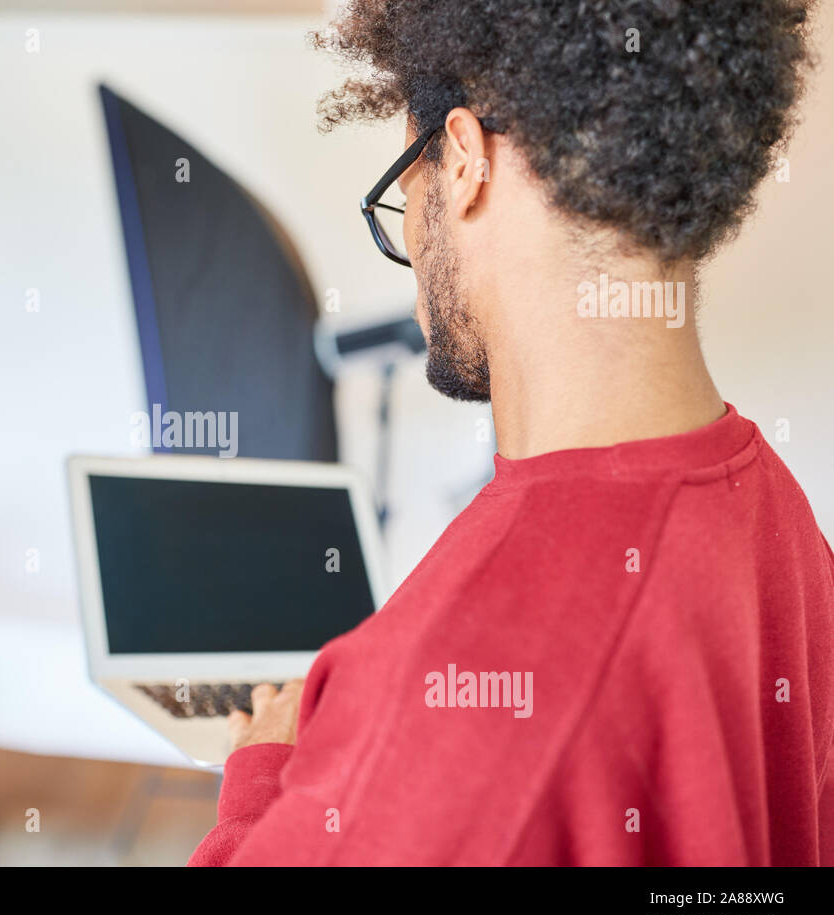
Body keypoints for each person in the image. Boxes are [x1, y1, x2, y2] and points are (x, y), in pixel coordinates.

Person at [190, 0, 833, 865]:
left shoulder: (454, 696)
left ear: (462, 159)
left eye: (404, 192)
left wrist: (265, 771)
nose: (413, 247)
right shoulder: (781, 521)